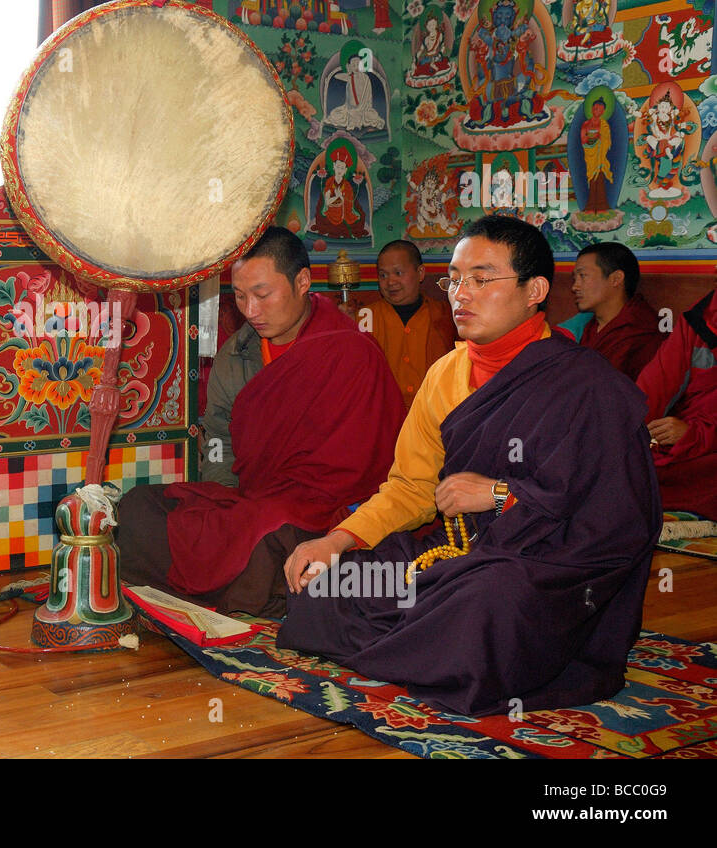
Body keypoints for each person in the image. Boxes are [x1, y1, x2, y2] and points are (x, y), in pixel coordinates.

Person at [275, 216, 659, 716]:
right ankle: (430, 644)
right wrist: (337, 540)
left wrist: (501, 494)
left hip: (542, 568)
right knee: (327, 587)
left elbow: (622, 520)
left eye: (481, 278)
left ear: (534, 290)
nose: (461, 294)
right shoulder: (447, 374)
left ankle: (439, 642)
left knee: (489, 602)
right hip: (456, 551)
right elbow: (411, 488)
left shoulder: (587, 386)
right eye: (453, 278)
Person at [117, 228, 404, 615]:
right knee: (136, 507)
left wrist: (249, 523)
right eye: (239, 296)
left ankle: (247, 584)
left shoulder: (352, 351)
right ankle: (254, 586)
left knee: (273, 536)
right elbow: (219, 439)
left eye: (263, 294)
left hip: (323, 513)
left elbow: (377, 461)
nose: (250, 310)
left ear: (302, 281)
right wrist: (226, 512)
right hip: (257, 500)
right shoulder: (236, 355)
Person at [636, 278, 717, 519]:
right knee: (630, 467)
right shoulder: (699, 321)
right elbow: (654, 387)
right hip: (690, 447)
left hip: (705, 444)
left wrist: (693, 435)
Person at [356, 240, 456, 408]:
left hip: (432, 414)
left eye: (398, 273)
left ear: (420, 273)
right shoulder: (364, 318)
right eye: (383, 275)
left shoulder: (445, 315)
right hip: (384, 415)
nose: (390, 282)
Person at [561, 243, 663, 380]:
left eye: (583, 276)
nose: (575, 287)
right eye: (575, 278)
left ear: (616, 279)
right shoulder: (591, 327)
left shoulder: (642, 331)